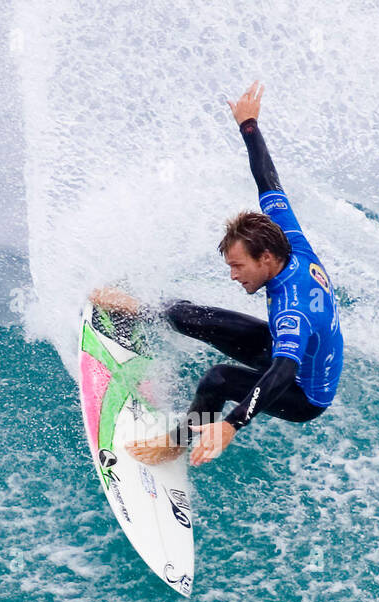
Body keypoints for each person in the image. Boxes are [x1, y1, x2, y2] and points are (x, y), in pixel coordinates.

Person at [90, 80, 344, 467]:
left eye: (239, 266)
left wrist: (230, 424)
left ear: (266, 258)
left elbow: (282, 371)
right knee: (185, 313)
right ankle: (138, 310)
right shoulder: (289, 238)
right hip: (284, 347)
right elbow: (268, 181)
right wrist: (249, 125)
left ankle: (175, 443)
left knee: (218, 380)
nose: (233, 276)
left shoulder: (294, 311)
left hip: (302, 392)